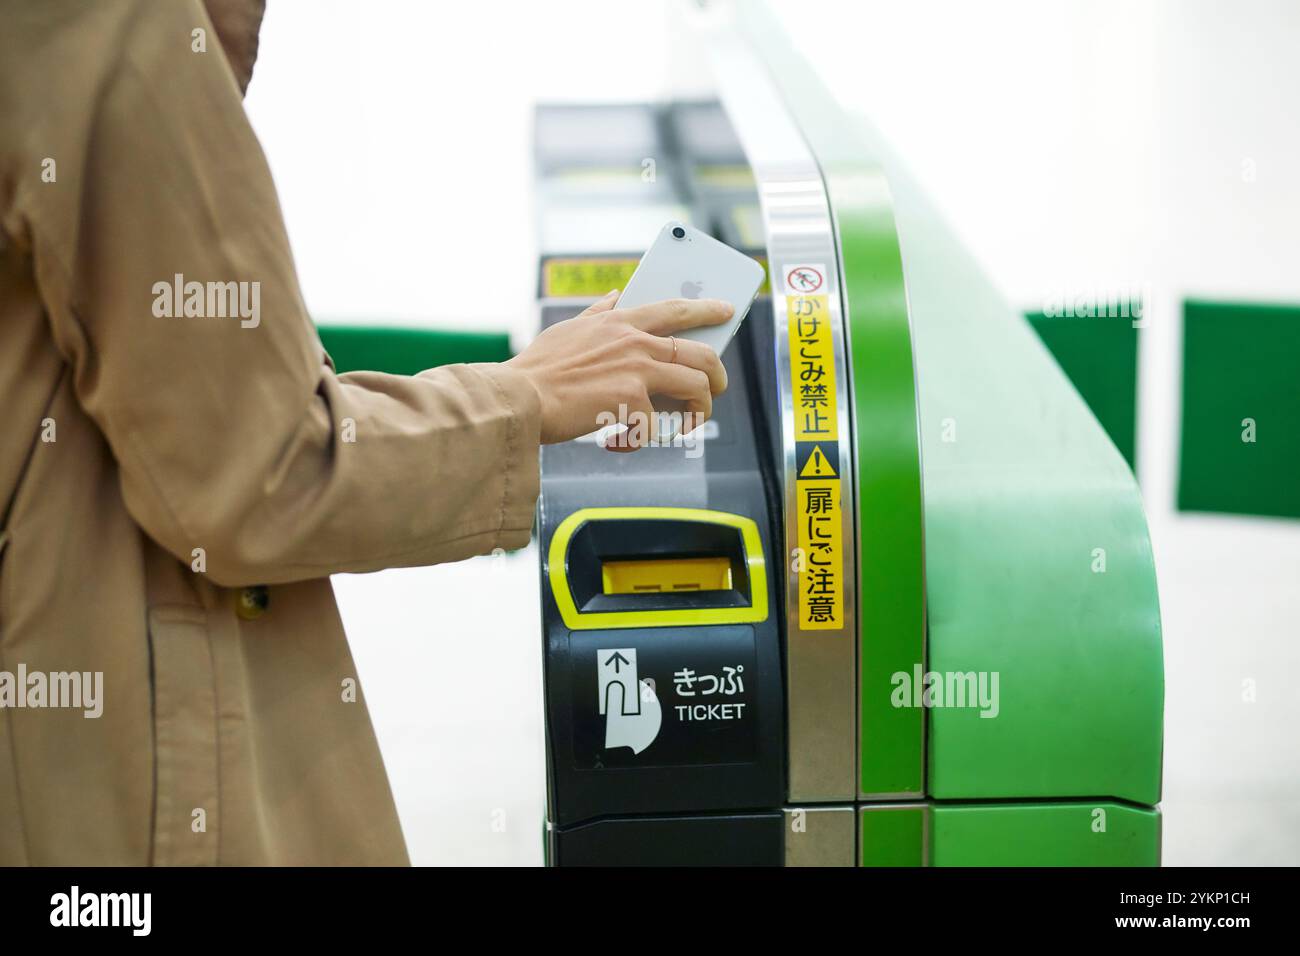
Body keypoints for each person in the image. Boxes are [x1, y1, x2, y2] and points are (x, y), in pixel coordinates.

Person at [0, 0, 729, 865]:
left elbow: (184, 380)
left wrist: (514, 376)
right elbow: (263, 473)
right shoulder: (114, 20)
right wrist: (526, 397)